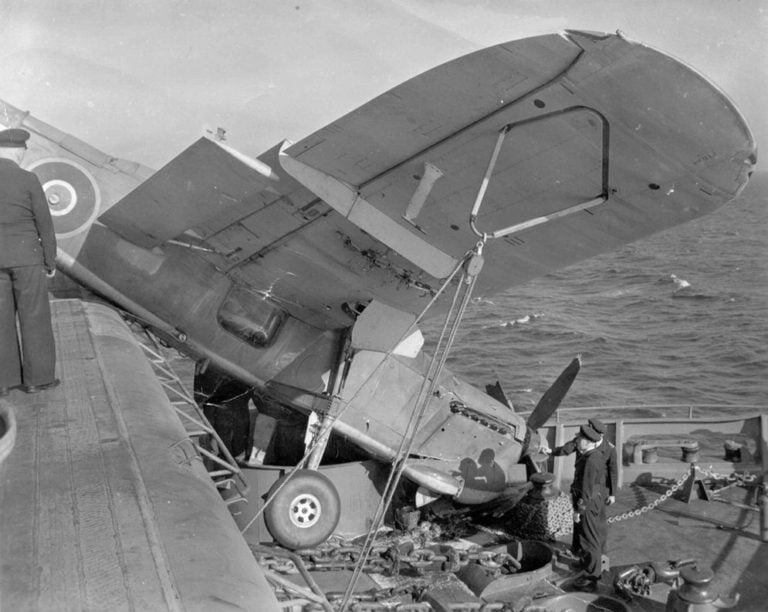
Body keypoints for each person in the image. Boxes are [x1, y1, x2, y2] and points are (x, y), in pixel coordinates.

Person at [0, 128, 59, 397]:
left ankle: (5, 381)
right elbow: (44, 224)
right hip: (26, 259)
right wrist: (50, 260)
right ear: (17, 151)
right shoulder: (28, 179)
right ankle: (39, 379)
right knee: (34, 317)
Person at [553, 423, 609, 591]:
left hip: (588, 503)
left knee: (589, 540)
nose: (577, 441)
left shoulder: (591, 460)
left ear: (590, 442)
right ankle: (589, 566)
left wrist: (579, 510)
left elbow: (587, 489)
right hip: (595, 500)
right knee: (593, 535)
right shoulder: (593, 455)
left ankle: (591, 577)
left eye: (581, 439)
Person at [588, 417, 618, 506]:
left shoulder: (610, 449)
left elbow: (613, 472)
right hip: (584, 484)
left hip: (600, 487)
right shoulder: (585, 444)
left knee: (598, 514)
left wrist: (612, 494)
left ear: (600, 435)